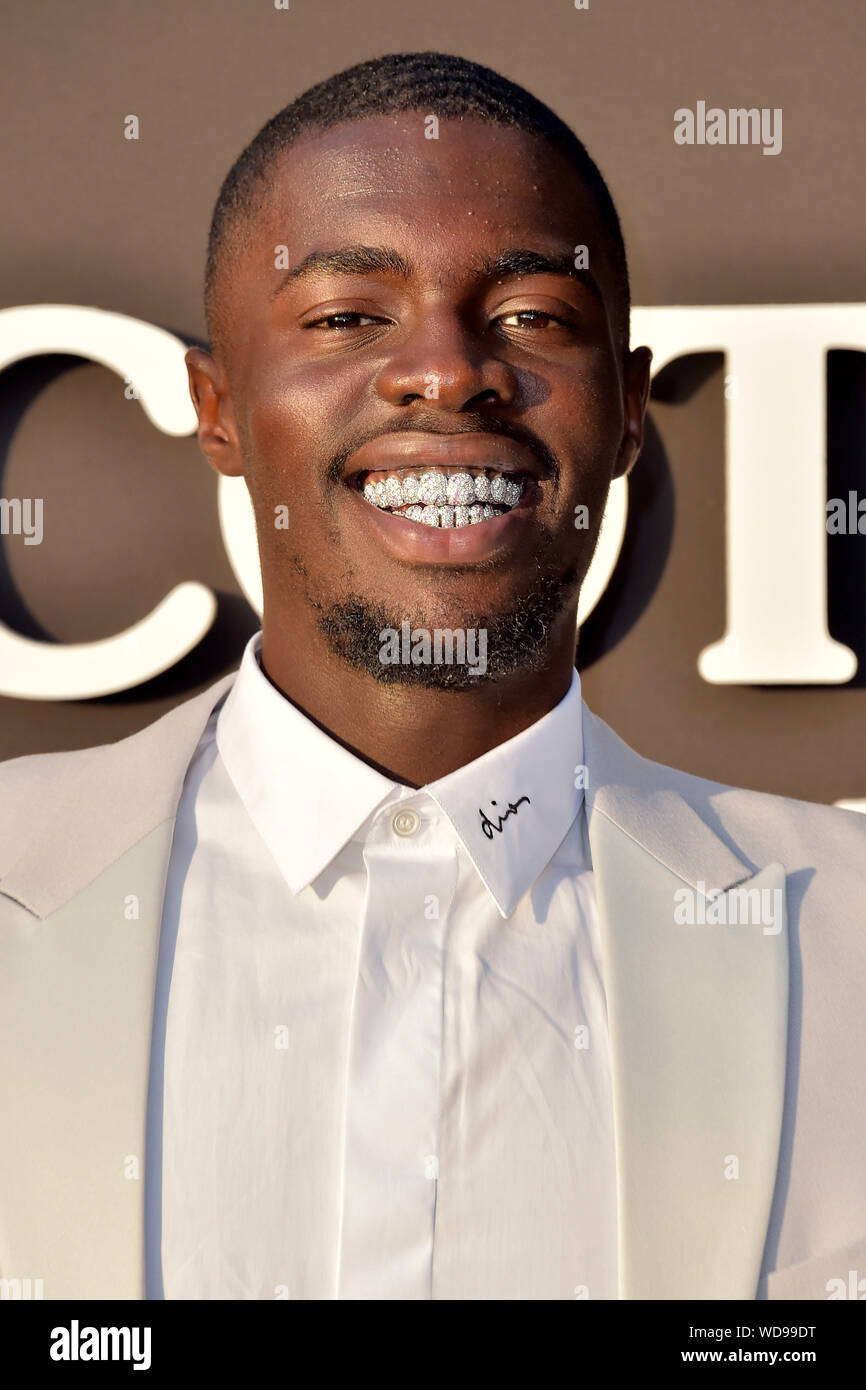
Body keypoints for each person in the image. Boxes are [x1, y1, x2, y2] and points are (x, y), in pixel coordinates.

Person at [1, 51, 864, 1302]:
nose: (448, 371)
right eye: (349, 314)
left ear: (626, 409)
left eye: (529, 316)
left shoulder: (843, 938)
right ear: (217, 404)